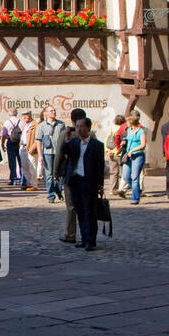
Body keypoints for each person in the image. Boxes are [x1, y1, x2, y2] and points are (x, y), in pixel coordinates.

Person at [61, 117, 105, 250]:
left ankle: (91, 240)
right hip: (75, 180)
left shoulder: (97, 145)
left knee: (89, 211)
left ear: (88, 128)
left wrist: (100, 184)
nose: (79, 129)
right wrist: (67, 138)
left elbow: (100, 166)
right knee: (79, 210)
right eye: (77, 126)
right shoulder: (74, 142)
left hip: (89, 181)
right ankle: (84, 238)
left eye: (82, 127)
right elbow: (64, 151)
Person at [54, 107, 87, 243]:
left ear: (72, 120)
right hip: (85, 173)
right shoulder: (89, 134)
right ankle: (87, 234)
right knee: (85, 204)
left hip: (70, 173)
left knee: (71, 205)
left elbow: (59, 155)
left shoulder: (65, 134)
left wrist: (55, 172)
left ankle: (70, 233)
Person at [33, 106, 65, 203]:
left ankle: (59, 191)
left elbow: (64, 139)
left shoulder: (61, 124)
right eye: (51, 111)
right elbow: (38, 141)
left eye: (54, 110)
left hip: (59, 153)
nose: (53, 112)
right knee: (49, 174)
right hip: (47, 153)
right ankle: (51, 194)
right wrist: (40, 155)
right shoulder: (42, 126)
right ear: (46, 113)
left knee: (59, 174)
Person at [122, 112, 147, 204]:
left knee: (135, 177)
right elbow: (127, 140)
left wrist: (133, 150)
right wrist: (124, 143)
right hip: (128, 156)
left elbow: (143, 145)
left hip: (138, 156)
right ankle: (137, 191)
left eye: (128, 121)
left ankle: (135, 198)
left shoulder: (141, 131)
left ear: (132, 121)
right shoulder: (129, 130)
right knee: (125, 176)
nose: (127, 123)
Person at [104, 115, 127, 200]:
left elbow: (106, 140)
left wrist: (107, 151)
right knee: (122, 172)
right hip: (120, 153)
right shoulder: (123, 129)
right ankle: (121, 188)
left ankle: (112, 189)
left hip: (112, 153)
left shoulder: (112, 128)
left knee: (113, 172)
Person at [18, 111, 39, 190]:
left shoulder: (35, 124)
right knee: (24, 167)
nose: (24, 117)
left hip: (30, 148)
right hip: (23, 147)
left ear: (30, 115)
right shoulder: (25, 125)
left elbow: (38, 138)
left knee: (32, 167)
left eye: (26, 115)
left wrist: (33, 147)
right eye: (23, 115)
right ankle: (28, 183)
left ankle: (34, 184)